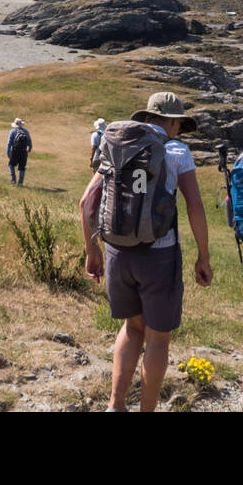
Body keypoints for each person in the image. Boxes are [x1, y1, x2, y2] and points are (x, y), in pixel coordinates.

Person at [79, 92, 212, 411]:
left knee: (132, 327)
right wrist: (203, 257)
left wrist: (92, 251)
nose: (179, 130)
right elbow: (194, 206)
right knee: (157, 338)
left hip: (117, 253)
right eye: (179, 123)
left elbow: (86, 203)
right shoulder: (177, 151)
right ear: (169, 122)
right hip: (159, 255)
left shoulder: (116, 145)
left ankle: (116, 404)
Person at [6, 118, 31, 185]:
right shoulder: (26, 131)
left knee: (11, 165)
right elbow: (29, 141)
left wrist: (8, 152)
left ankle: (13, 180)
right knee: (22, 167)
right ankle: (20, 182)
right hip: (24, 151)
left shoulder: (12, 131)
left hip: (15, 151)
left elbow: (9, 143)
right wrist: (29, 148)